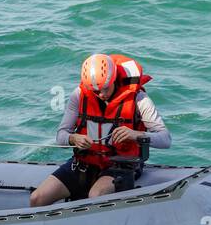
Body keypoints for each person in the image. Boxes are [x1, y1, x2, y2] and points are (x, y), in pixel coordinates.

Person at [29, 53, 171, 206]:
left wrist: (136, 135)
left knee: (96, 195)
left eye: (105, 88)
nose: (101, 94)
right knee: (37, 198)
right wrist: (73, 138)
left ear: (114, 79)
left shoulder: (139, 98)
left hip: (120, 166)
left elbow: (165, 139)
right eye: (96, 91)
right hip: (84, 164)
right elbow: (61, 135)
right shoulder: (79, 95)